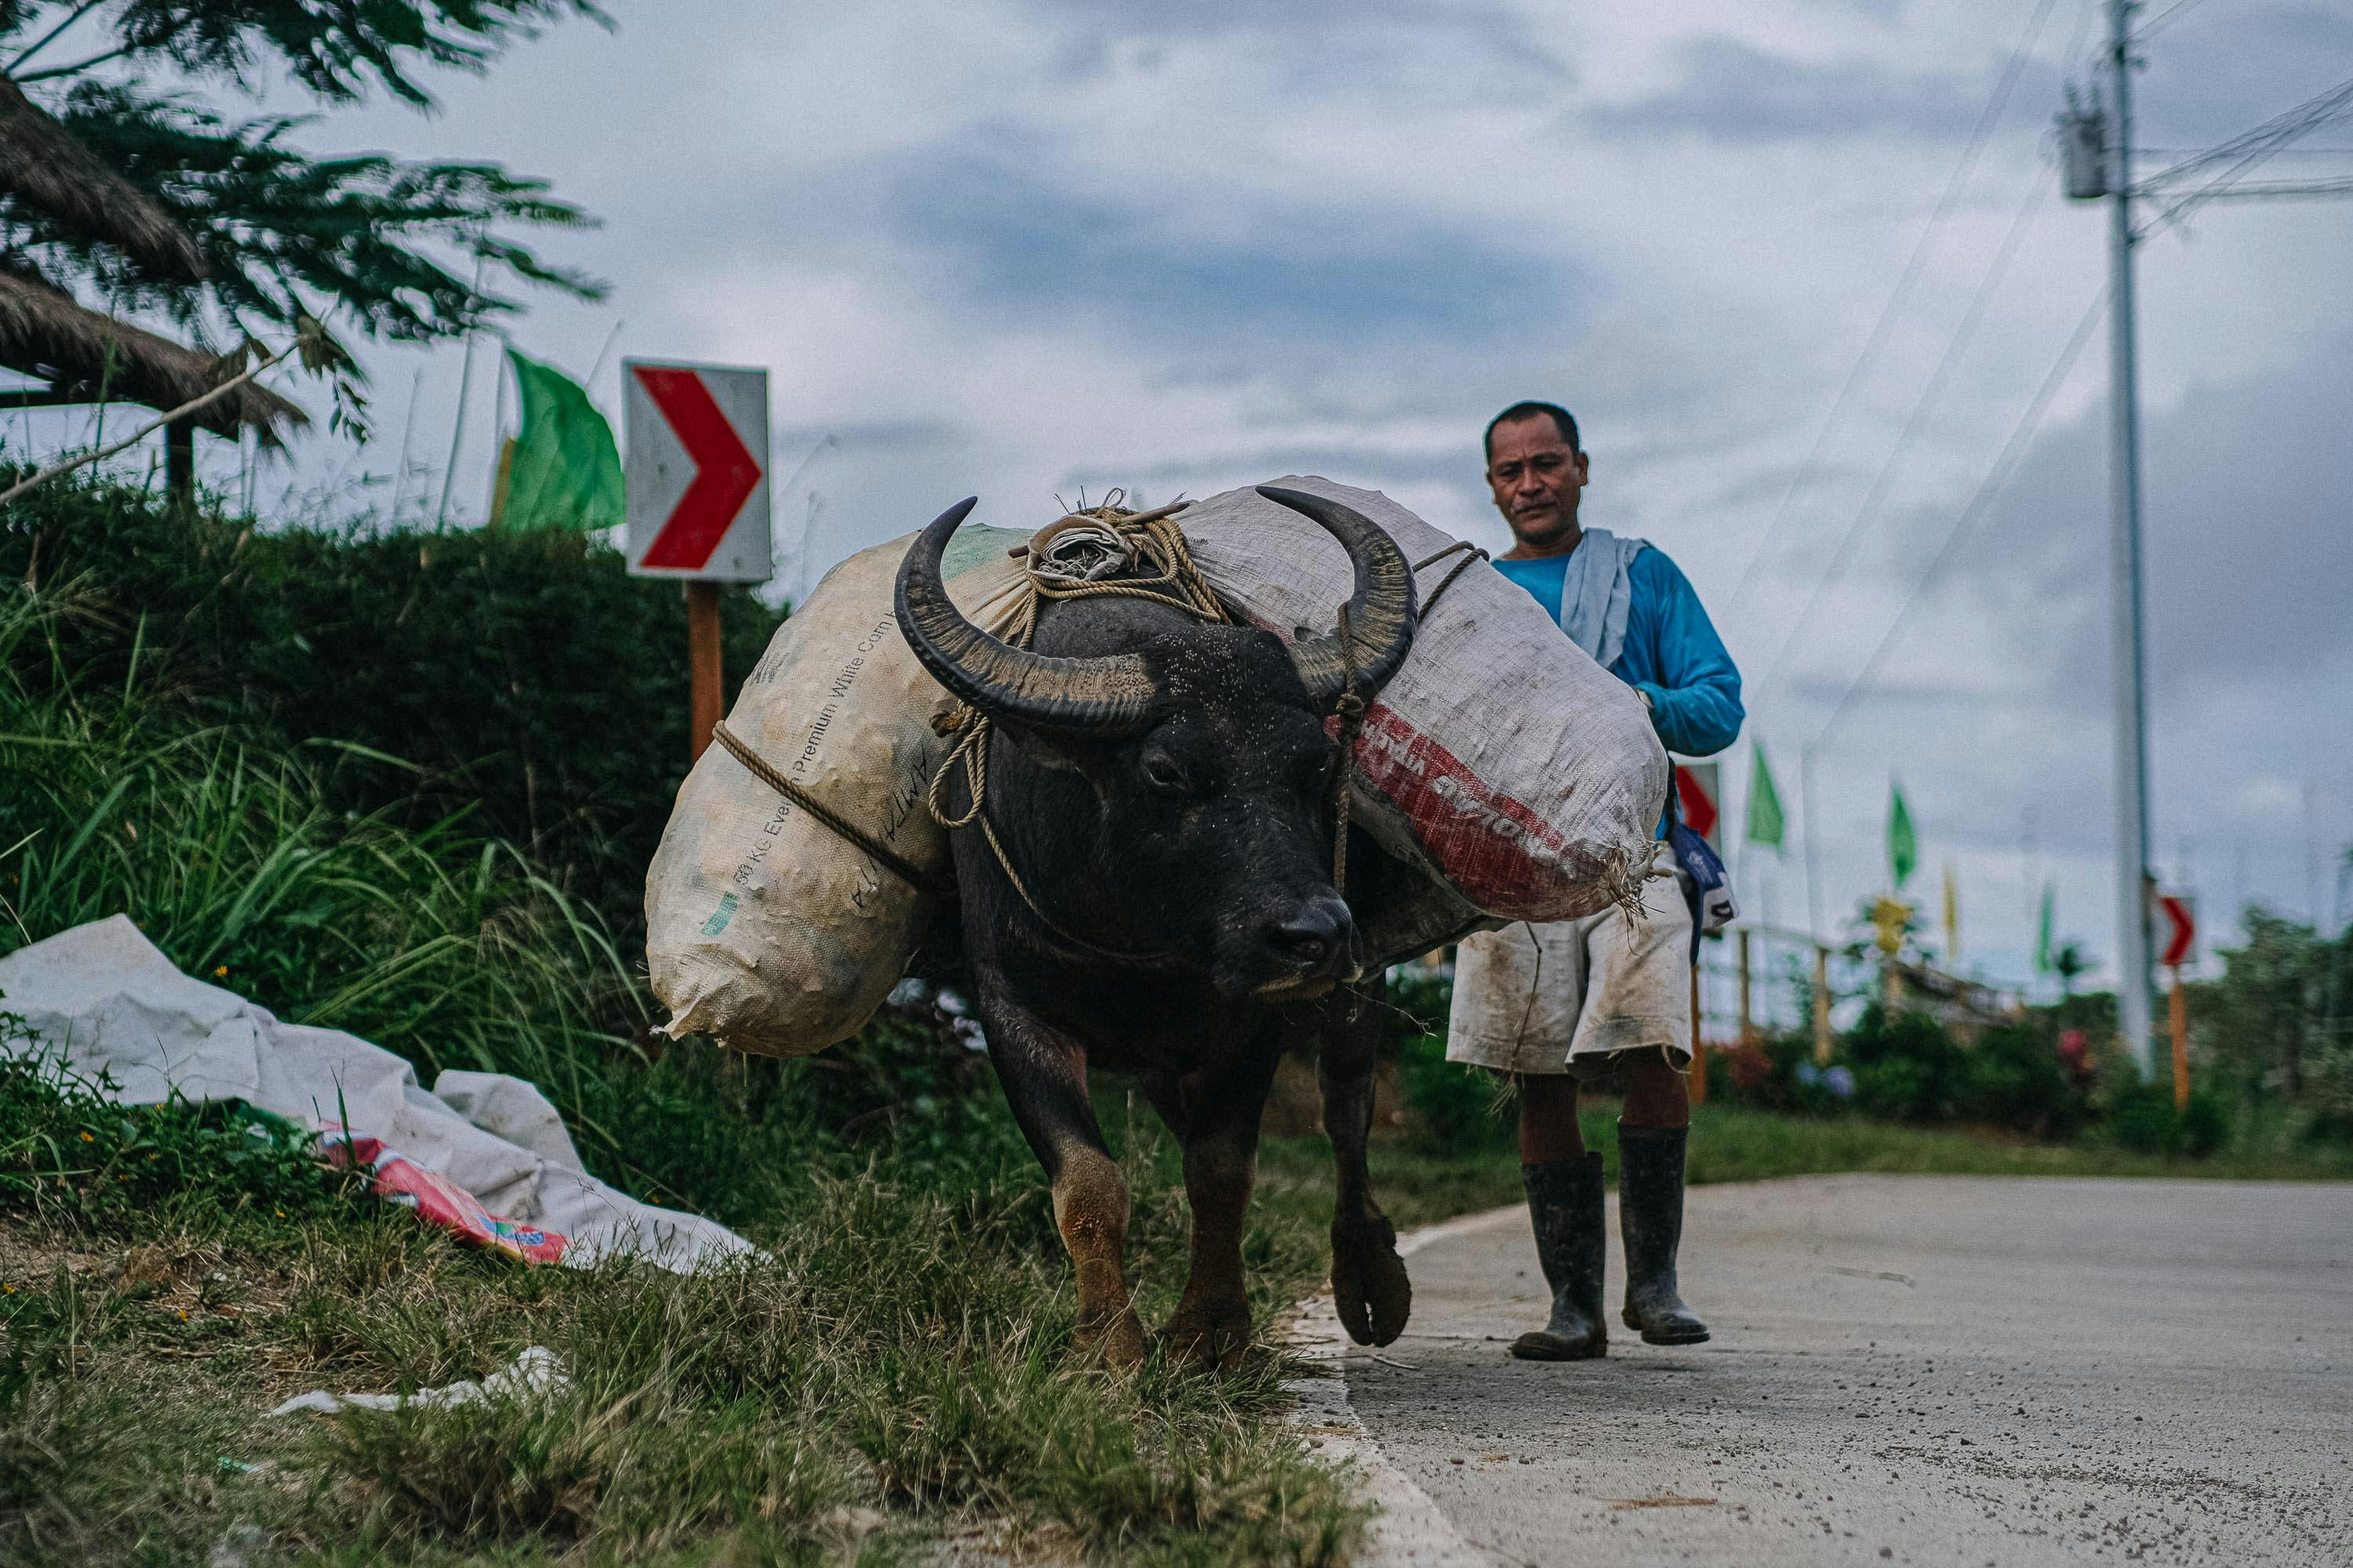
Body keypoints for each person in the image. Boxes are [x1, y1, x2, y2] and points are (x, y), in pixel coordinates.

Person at [1447, 400, 1743, 1361]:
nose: (1529, 484)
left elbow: (1717, 706)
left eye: (1546, 464)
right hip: (1509, 858)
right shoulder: (1471, 599)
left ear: (1581, 468)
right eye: (1509, 472)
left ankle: (1654, 1290)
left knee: (1651, 1043)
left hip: (1630, 854)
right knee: (1536, 1073)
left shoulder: (1642, 575)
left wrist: (1621, 698)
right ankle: (1570, 1306)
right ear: (1490, 487)